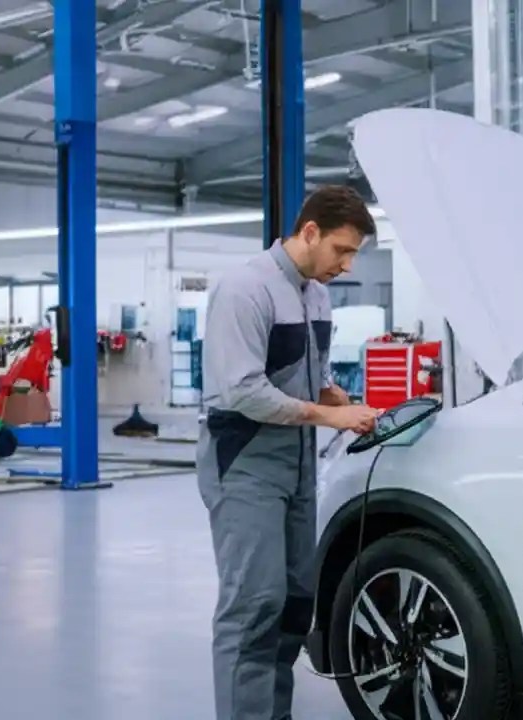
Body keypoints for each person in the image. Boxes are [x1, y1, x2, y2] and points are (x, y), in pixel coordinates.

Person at [197, 184, 380, 720]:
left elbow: (309, 376)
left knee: (293, 605)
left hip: (298, 465)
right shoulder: (244, 289)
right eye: (341, 251)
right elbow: (243, 391)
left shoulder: (316, 295)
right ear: (309, 232)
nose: (345, 265)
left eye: (353, 255)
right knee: (252, 607)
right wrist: (330, 417)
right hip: (246, 463)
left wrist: (333, 396)